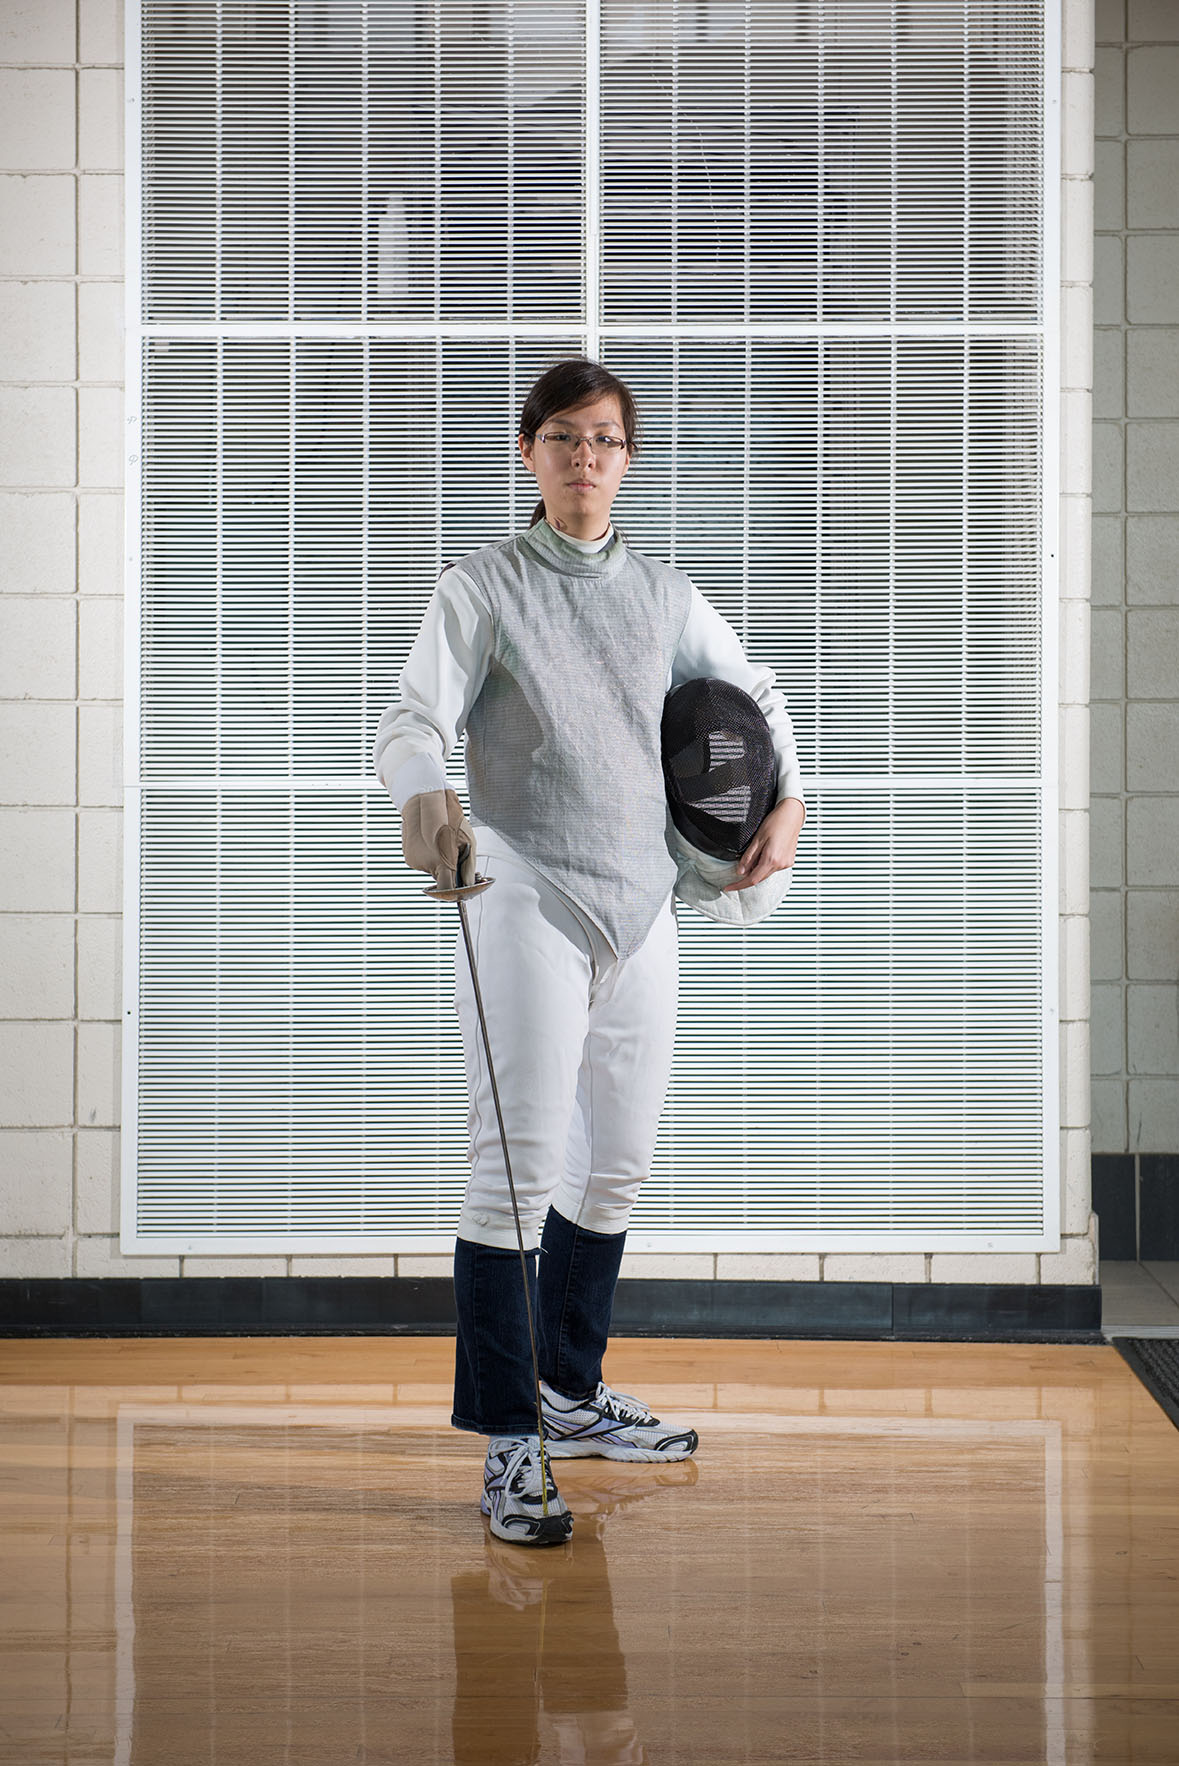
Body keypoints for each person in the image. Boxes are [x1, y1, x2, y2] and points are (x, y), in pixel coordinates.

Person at [374, 358, 805, 1546]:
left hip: (641, 903)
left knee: (612, 1166)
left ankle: (569, 1393)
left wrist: (790, 801)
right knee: (510, 1169)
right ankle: (512, 1440)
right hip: (524, 892)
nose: (585, 457)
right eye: (563, 436)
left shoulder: (663, 591)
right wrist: (427, 795)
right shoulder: (486, 585)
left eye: (606, 439)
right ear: (529, 452)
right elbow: (410, 718)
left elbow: (752, 691)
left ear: (629, 457)